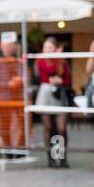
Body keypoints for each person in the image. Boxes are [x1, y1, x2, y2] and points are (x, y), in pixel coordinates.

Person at [34, 36, 70, 167]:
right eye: (45, 47)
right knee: (48, 127)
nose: (47, 50)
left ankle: (62, 157)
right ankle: (50, 158)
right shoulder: (40, 61)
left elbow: (66, 80)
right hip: (45, 94)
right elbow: (42, 75)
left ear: (55, 48)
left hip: (58, 94)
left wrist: (59, 80)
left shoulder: (62, 62)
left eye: (50, 47)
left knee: (61, 128)